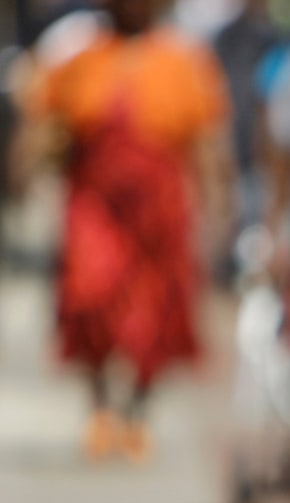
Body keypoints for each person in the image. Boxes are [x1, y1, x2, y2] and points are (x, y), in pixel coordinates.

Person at [10, 0, 235, 464]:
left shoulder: (184, 59)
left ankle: (137, 413)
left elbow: (206, 140)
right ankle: (99, 411)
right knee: (88, 296)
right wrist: (25, 170)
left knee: (156, 312)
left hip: (160, 212)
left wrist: (218, 204)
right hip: (94, 206)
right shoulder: (77, 53)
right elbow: (47, 123)